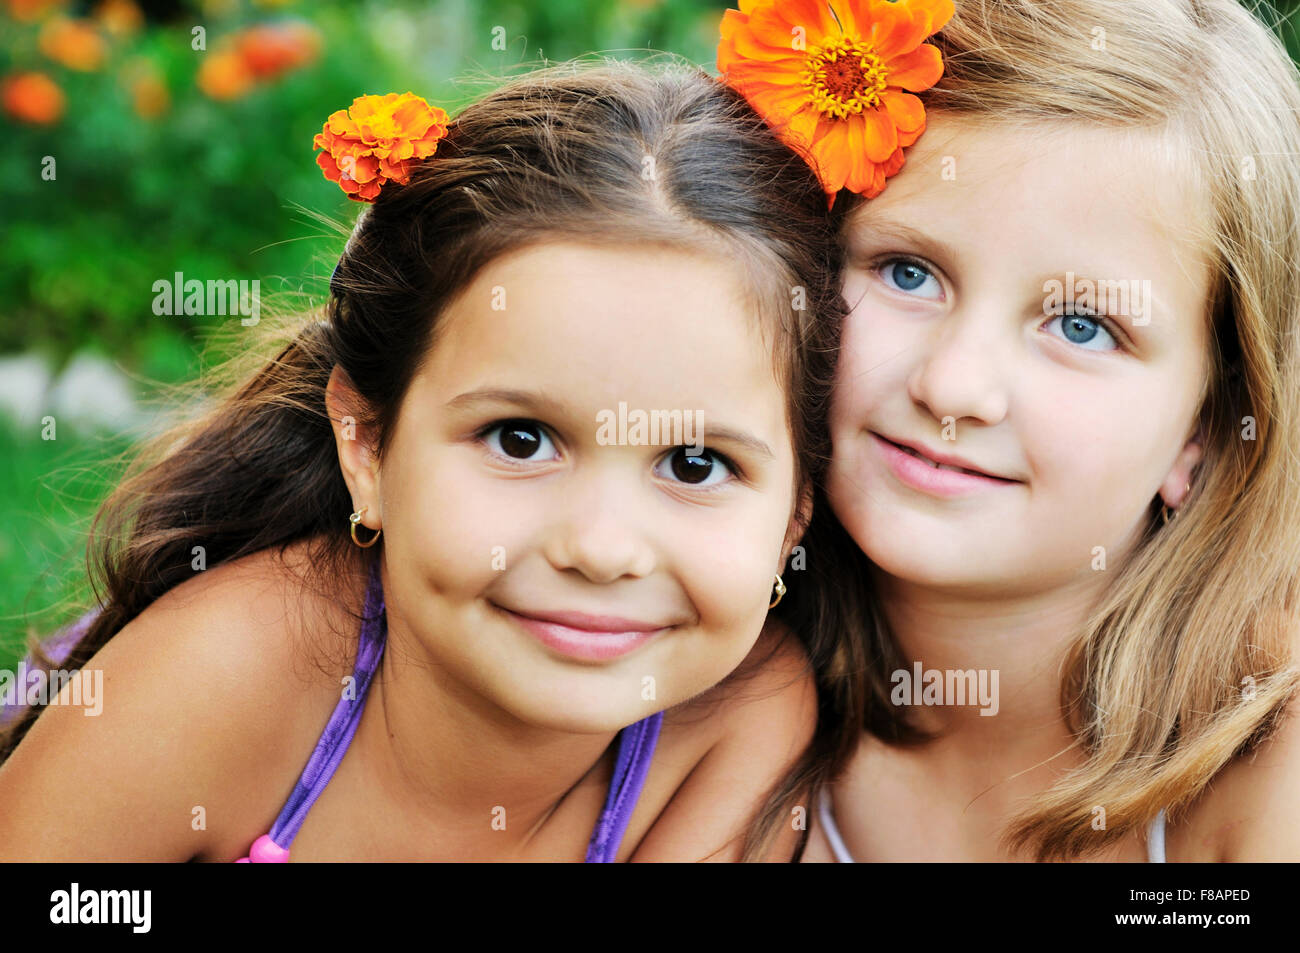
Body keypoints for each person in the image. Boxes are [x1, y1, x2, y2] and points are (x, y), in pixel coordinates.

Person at [0, 58, 852, 862]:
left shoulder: (738, 724)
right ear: (367, 445)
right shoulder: (230, 667)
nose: (600, 547)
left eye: (696, 465)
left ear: (792, 520)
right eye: (520, 439)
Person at [720, 0, 1300, 861]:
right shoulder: (701, 709)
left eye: (1080, 327)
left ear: (1206, 431)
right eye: (908, 272)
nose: (953, 384)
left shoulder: (1267, 763)